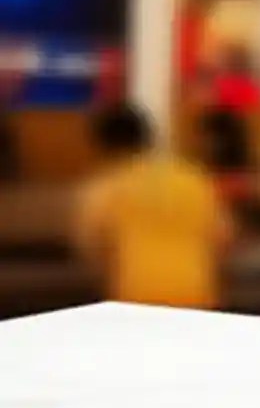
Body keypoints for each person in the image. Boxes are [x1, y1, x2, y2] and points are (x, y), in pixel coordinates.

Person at [75, 103, 231, 309]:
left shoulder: (104, 187)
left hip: (135, 296)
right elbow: (224, 238)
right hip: (196, 293)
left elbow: (90, 246)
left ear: (100, 145)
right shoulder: (192, 178)